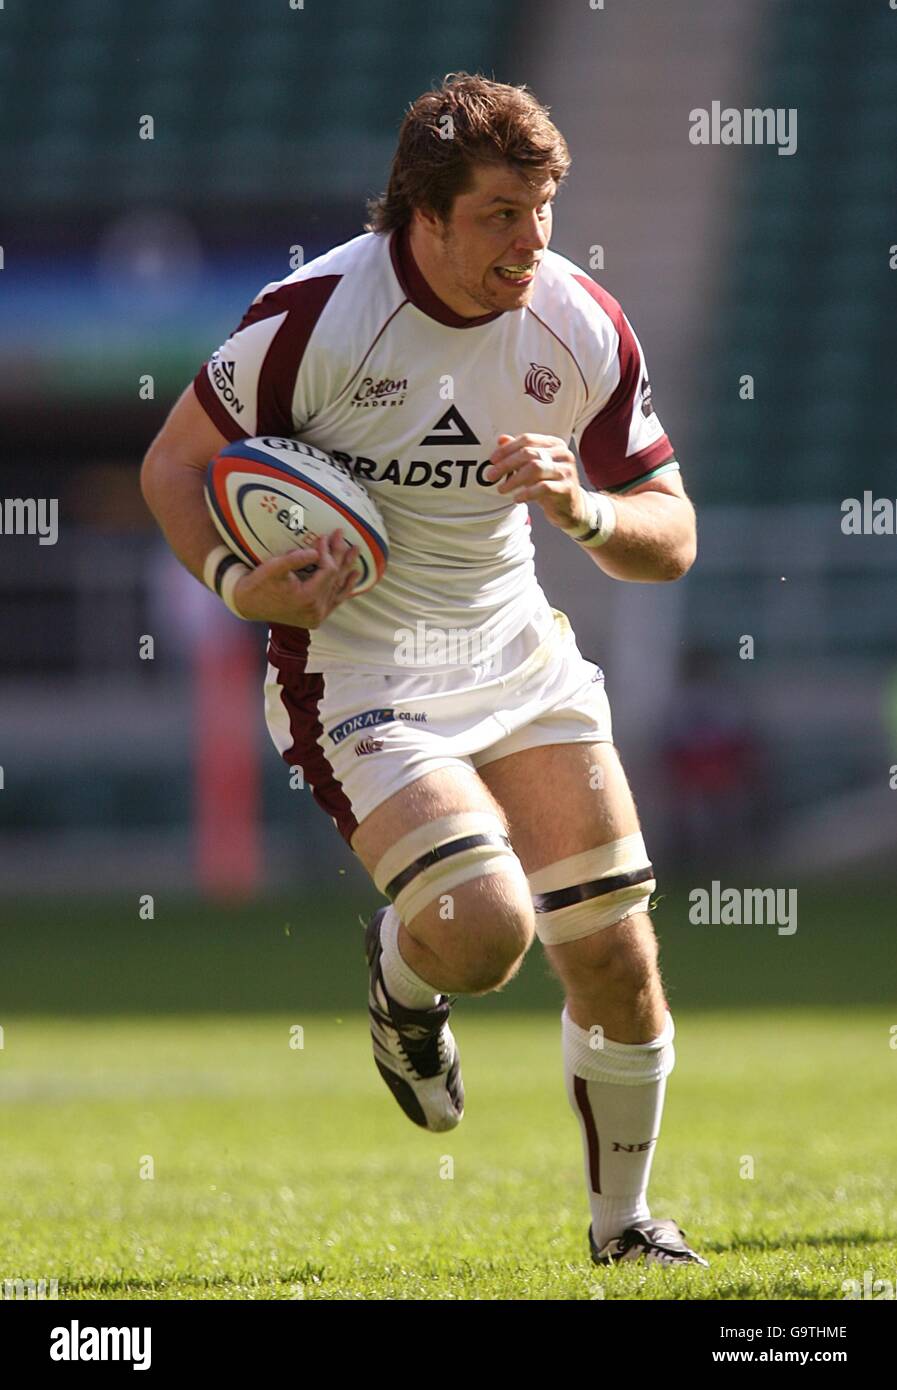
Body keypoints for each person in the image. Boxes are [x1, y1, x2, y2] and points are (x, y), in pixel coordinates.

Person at [141, 73, 704, 1269]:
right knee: (485, 928)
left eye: (544, 207)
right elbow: (172, 466)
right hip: (358, 669)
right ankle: (406, 982)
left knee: (613, 947)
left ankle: (626, 1229)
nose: (532, 239)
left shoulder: (580, 321)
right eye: (502, 212)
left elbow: (675, 533)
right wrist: (241, 588)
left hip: (514, 648)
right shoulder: (316, 320)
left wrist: (587, 512)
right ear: (424, 214)